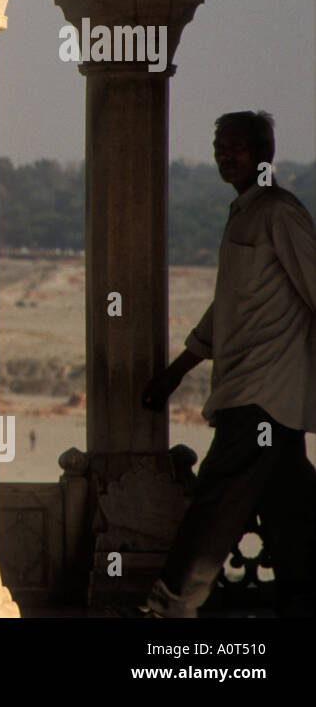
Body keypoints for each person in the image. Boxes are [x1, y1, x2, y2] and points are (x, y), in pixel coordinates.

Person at [140, 110, 316, 618]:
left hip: (263, 393)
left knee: (219, 498)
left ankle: (170, 606)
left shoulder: (279, 213)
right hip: (259, 394)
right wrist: (176, 372)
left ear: (264, 154)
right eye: (220, 145)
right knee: (290, 508)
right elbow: (227, 310)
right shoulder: (245, 214)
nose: (225, 155)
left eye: (236, 146)